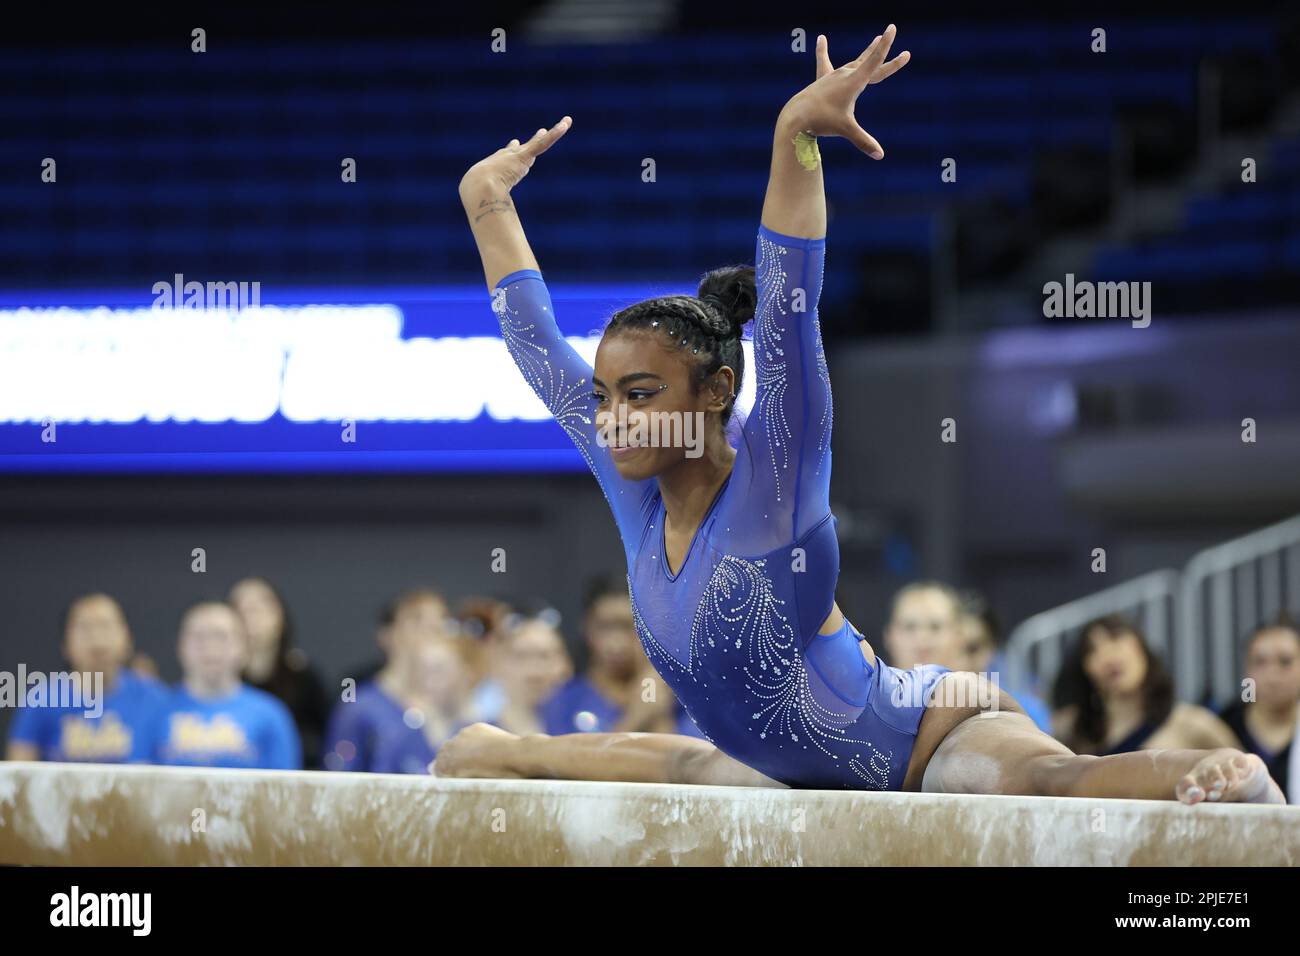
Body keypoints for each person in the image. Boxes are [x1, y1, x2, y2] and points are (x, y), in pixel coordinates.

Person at [437, 24, 1283, 804]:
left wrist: (793, 140)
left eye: (642, 395)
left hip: (925, 734)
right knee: (685, 765)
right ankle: (510, 748)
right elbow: (541, 351)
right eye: (606, 398)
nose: (613, 418)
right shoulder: (637, 491)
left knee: (1044, 785)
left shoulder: (773, 481)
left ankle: (1225, 778)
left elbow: (790, 311)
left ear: (716, 395)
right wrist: (488, 205)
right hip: (780, 767)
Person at [5, 593, 167, 763]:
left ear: (128, 638)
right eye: (84, 628)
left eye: (106, 626)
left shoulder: (155, 699)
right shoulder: (42, 700)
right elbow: (19, 775)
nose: (97, 640)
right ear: (65, 645)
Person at [1053, 615, 1241, 756]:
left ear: (1141, 648)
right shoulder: (1073, 731)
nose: (1107, 655)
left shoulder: (1193, 724)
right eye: (1091, 650)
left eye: (1116, 638)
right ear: (1085, 670)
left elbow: (1251, 787)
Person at [540, 576, 705, 737]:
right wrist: (637, 716)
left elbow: (682, 761)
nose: (616, 642)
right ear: (587, 629)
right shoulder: (564, 702)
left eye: (628, 627)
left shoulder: (689, 703)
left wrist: (656, 708)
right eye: (605, 627)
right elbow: (573, 763)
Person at [146, 601, 301, 770]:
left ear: (243, 647)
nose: (210, 648)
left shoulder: (271, 715)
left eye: (221, 636)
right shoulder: (154, 712)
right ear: (181, 646)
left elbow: (287, 790)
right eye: (199, 637)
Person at [323, 588, 456, 772]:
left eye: (441, 622)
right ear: (387, 635)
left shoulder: (457, 709)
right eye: (416, 619)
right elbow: (338, 779)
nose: (430, 630)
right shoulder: (359, 708)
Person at [228, 576, 330, 769]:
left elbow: (326, 740)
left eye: (261, 607)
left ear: (281, 616)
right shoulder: (223, 680)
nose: (252, 617)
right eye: (242, 610)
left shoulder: (303, 676)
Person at [1217, 614, 1298, 801]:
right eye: (1260, 662)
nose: (1272, 676)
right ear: (1247, 669)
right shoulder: (1224, 724)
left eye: (1285, 662)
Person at [954, 590, 1053, 733]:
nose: (962, 660)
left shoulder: (1026, 711)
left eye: (972, 648)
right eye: (954, 647)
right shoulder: (920, 700)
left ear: (992, 647)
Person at [490, 614, 571, 737]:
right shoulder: (475, 739)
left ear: (565, 665)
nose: (534, 672)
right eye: (521, 656)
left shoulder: (583, 729)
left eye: (545, 656)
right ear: (497, 664)